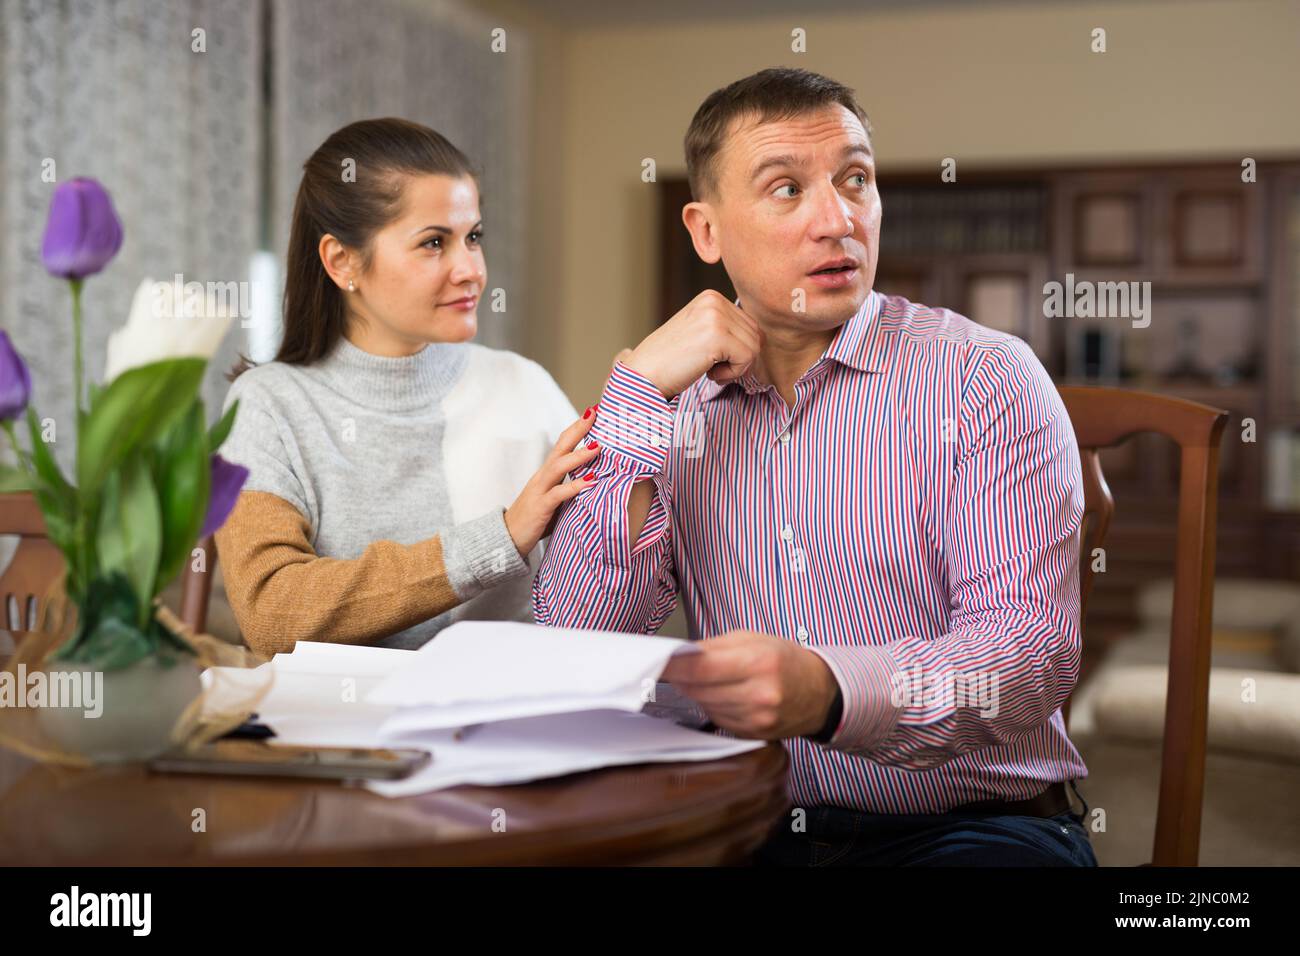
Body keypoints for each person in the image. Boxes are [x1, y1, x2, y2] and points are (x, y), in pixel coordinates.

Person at [533, 68, 1097, 866]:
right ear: (706, 231)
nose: (837, 220)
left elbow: (1028, 658)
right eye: (787, 189)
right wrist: (635, 396)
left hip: (977, 827)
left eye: (854, 180)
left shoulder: (984, 378)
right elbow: (576, 644)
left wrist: (833, 691)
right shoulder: (669, 405)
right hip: (747, 824)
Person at [216, 117, 599, 655]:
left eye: (473, 237)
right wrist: (502, 538)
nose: (470, 270)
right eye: (434, 243)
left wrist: (645, 393)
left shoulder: (523, 385)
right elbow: (273, 611)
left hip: (507, 725)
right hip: (339, 732)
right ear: (341, 261)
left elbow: (606, 589)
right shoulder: (268, 405)